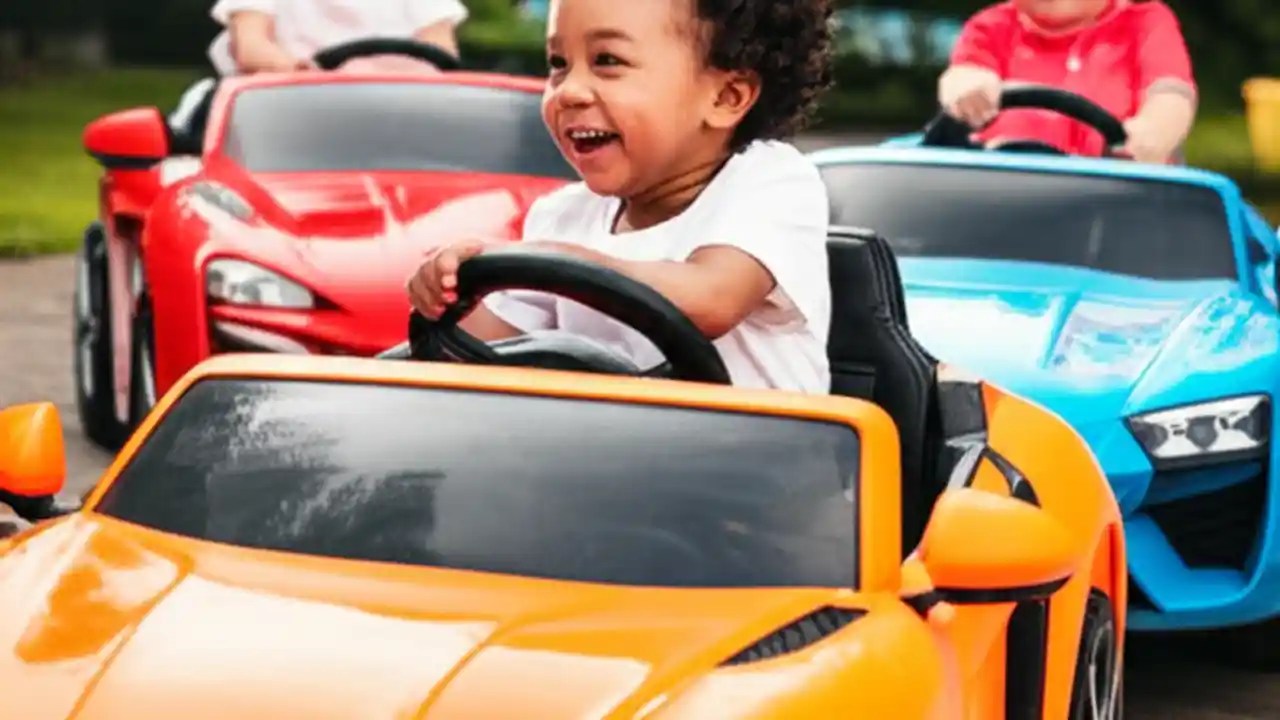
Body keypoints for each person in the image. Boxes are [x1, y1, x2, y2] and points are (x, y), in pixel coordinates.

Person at [406, 0, 836, 393]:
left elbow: (711, 299)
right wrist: (455, 291)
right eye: (558, 63)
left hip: (767, 466)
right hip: (615, 466)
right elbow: (477, 355)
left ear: (726, 97)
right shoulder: (562, 216)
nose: (568, 91)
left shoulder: (769, 181)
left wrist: (555, 259)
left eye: (607, 61)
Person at [937, 0, 1197, 164]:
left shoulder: (1147, 21)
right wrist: (969, 89)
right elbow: (964, 76)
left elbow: (1170, 92)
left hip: (1119, 205)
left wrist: (1154, 131)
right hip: (1006, 201)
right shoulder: (992, 26)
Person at [207, 0, 469, 76]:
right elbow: (251, 45)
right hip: (290, 101)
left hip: (399, 104)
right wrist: (296, 69)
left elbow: (441, 50)